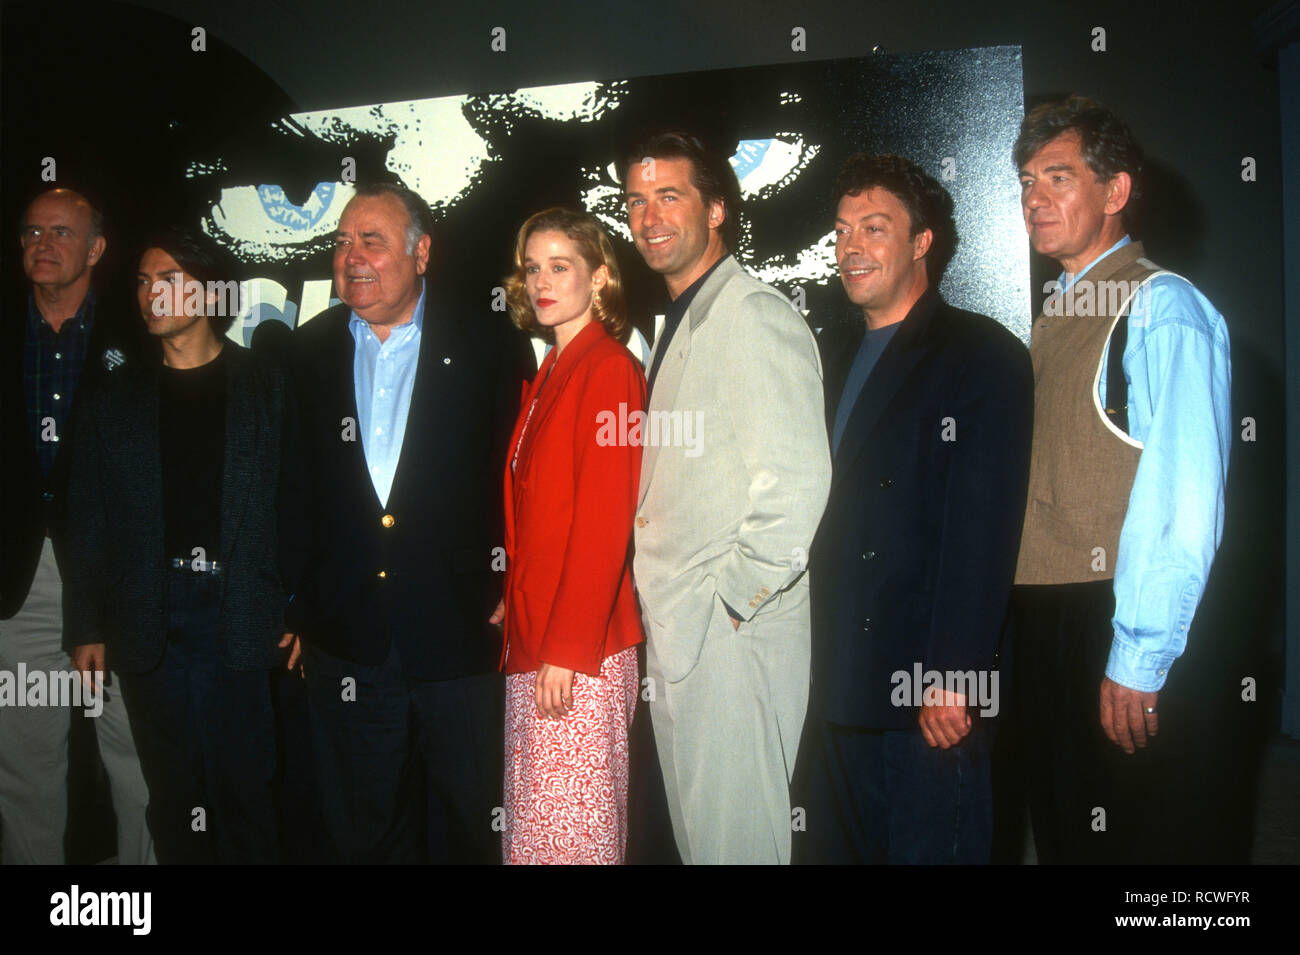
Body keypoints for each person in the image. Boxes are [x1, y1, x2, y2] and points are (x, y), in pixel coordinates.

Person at [282, 182, 533, 864]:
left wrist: (517, 578)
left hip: (461, 636)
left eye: (372, 241)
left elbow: (523, 477)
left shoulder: (490, 345)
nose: (351, 257)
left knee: (473, 826)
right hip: (347, 644)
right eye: (341, 242)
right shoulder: (304, 355)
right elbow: (290, 489)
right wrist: (300, 606)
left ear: (422, 252)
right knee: (364, 830)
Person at [1008, 95, 1231, 863]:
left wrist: (1137, 655)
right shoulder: (1050, 319)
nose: (1035, 198)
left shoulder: (1161, 306)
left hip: (1106, 620)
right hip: (1041, 623)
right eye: (1027, 181)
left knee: (1136, 848)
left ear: (1116, 191)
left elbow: (1183, 499)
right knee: (1069, 834)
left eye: (1058, 178)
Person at [793, 154, 1033, 864]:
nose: (851, 247)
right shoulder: (826, 355)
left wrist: (954, 675)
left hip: (925, 697)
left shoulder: (979, 353)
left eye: (875, 228)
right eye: (841, 231)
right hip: (831, 680)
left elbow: (982, 530)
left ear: (922, 241)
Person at [623, 131, 831, 864]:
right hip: (685, 638)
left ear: (717, 209)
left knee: (741, 848)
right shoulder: (687, 317)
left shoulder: (752, 314)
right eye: (635, 201)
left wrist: (729, 607)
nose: (648, 216)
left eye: (668, 196)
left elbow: (798, 486)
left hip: (730, 638)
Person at [63, 227, 292, 863]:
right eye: (142, 281)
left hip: (240, 608)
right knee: (171, 795)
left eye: (168, 279)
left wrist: (299, 608)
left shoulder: (268, 386)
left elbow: (302, 506)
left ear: (212, 290)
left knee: (247, 790)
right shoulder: (115, 398)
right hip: (149, 614)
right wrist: (85, 624)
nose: (150, 293)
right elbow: (87, 518)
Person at [0, 187, 153, 865]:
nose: (43, 243)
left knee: (137, 763)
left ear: (95, 249)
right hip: (16, 584)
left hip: (115, 585)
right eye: (33, 231)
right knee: (23, 766)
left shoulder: (141, 335)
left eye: (62, 232)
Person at [492, 208, 645, 864]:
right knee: (535, 835)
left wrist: (568, 643)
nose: (541, 281)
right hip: (539, 638)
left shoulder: (608, 367)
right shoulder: (552, 368)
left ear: (600, 277)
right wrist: (515, 597)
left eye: (561, 266)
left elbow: (606, 518)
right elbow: (542, 513)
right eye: (533, 268)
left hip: (578, 651)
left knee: (572, 839)